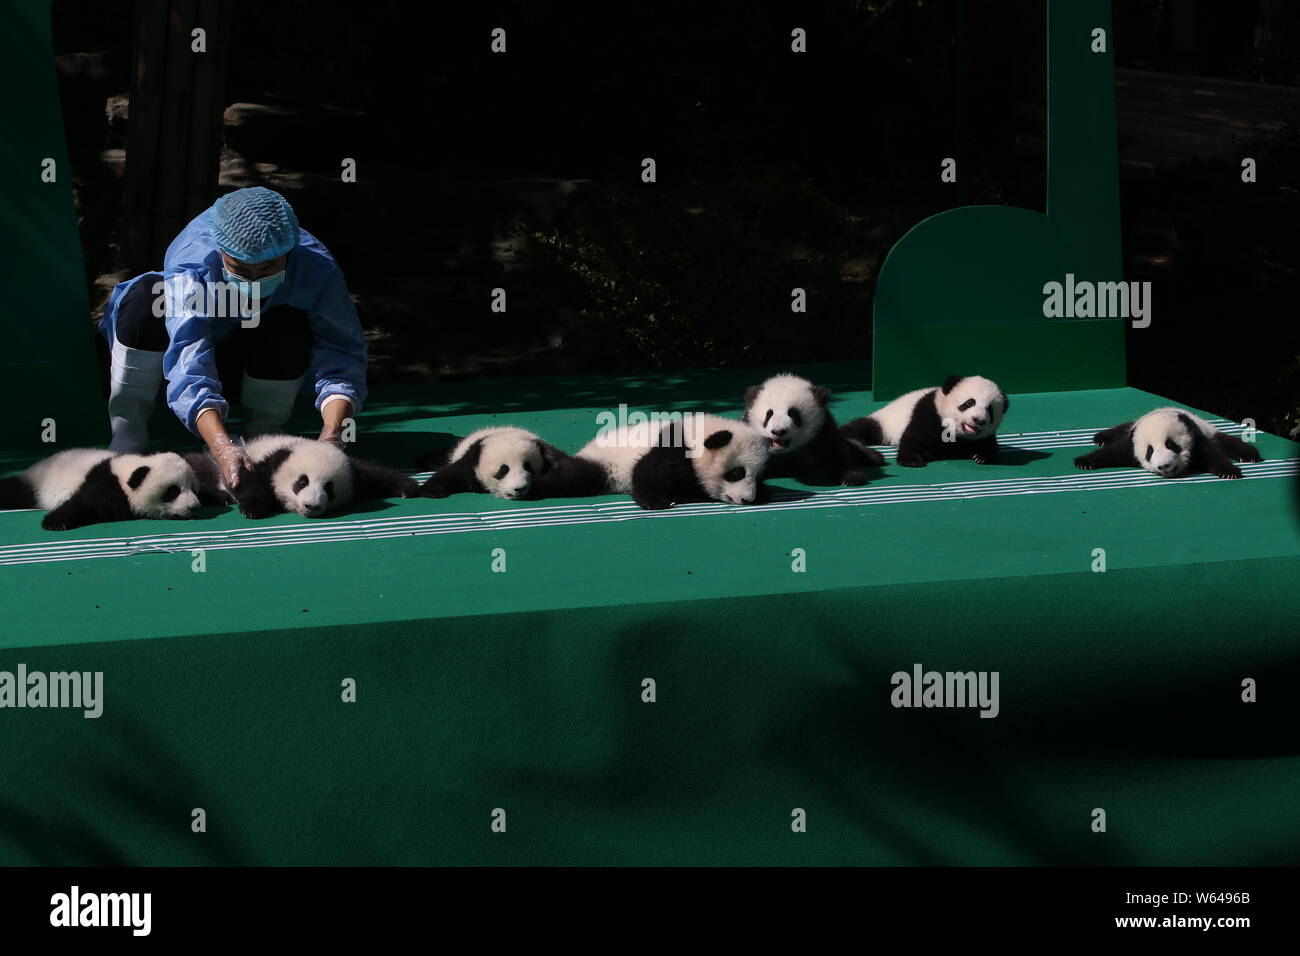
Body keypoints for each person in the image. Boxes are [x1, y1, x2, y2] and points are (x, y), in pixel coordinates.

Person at [99, 186, 368, 489]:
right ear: (220, 250)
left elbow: (341, 353)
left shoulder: (316, 266)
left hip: (254, 363)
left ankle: (265, 434)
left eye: (267, 267)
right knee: (147, 299)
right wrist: (221, 446)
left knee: (288, 320)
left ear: (289, 251)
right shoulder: (194, 262)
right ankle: (126, 436)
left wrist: (332, 434)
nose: (254, 280)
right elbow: (188, 356)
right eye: (240, 268)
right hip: (171, 366)